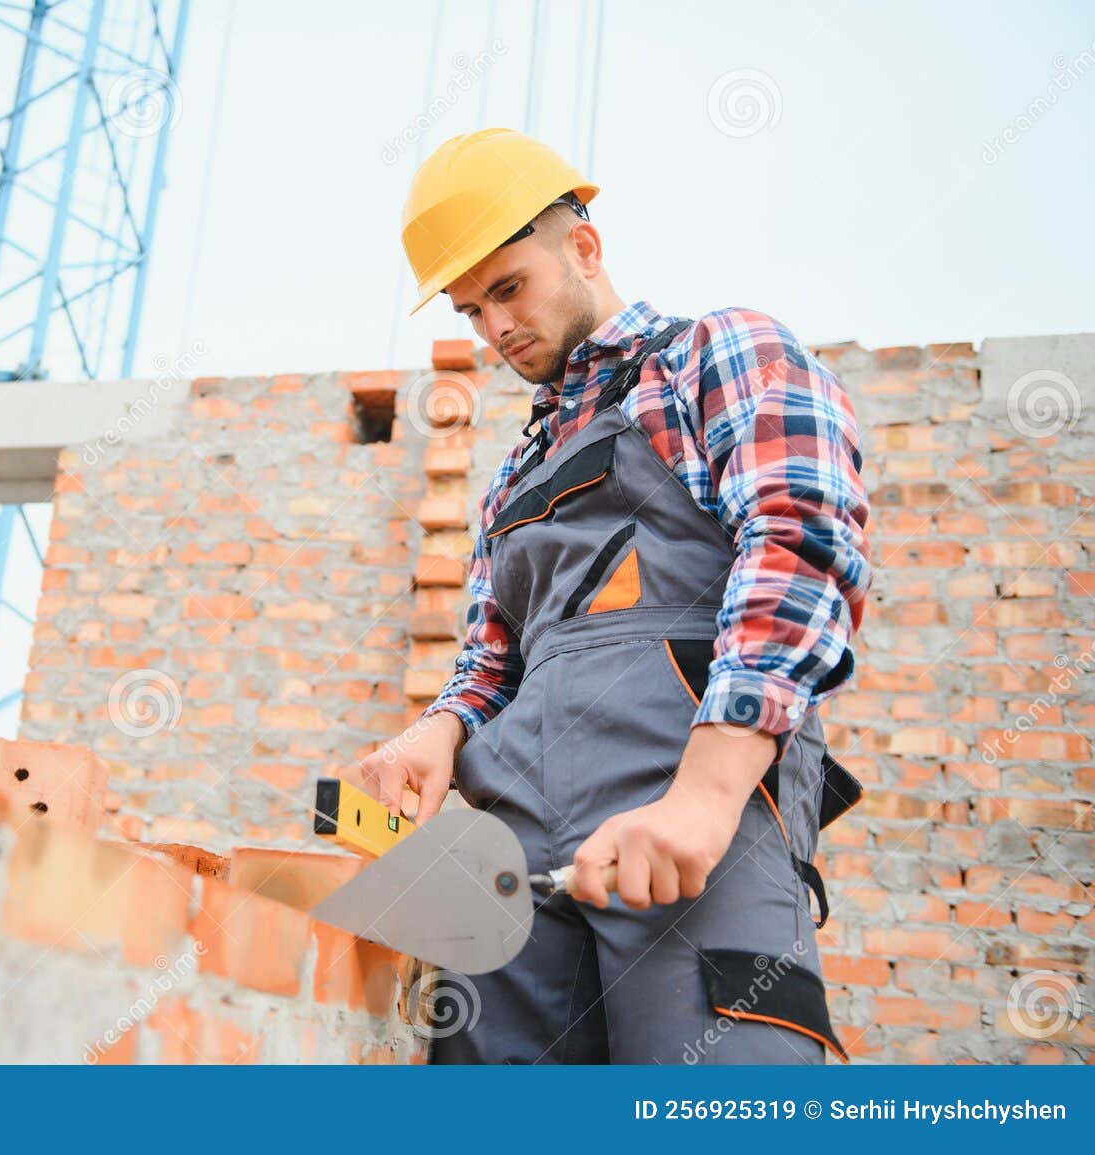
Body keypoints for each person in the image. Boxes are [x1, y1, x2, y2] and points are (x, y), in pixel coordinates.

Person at [358, 128, 872, 1064]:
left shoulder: (716, 354)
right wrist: (440, 728)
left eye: (508, 288)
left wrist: (705, 796)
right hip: (517, 876)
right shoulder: (512, 478)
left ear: (584, 248)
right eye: (471, 310)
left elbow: (800, 543)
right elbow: (492, 662)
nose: (495, 328)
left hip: (689, 842)